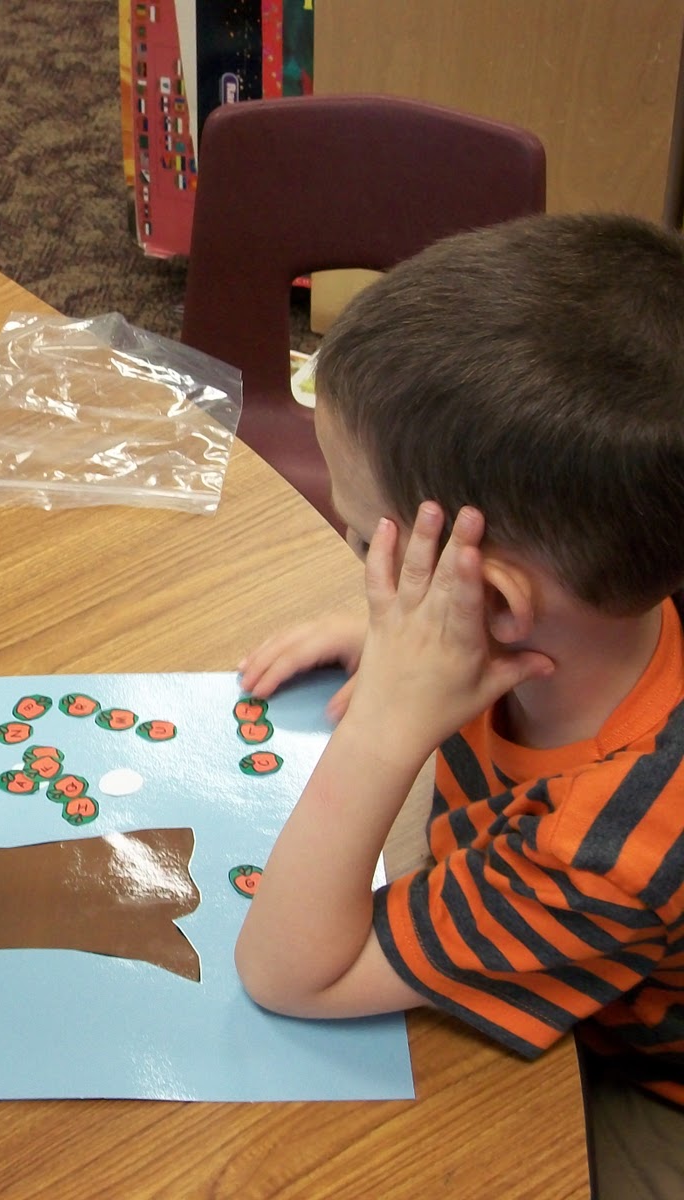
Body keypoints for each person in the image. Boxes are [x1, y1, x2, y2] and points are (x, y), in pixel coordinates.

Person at [232, 212, 684, 1199]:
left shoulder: (603, 850)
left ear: (490, 600)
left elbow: (285, 972)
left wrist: (390, 721)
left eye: (365, 547)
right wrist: (391, 628)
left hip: (646, 1079)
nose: (363, 575)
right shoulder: (618, 588)